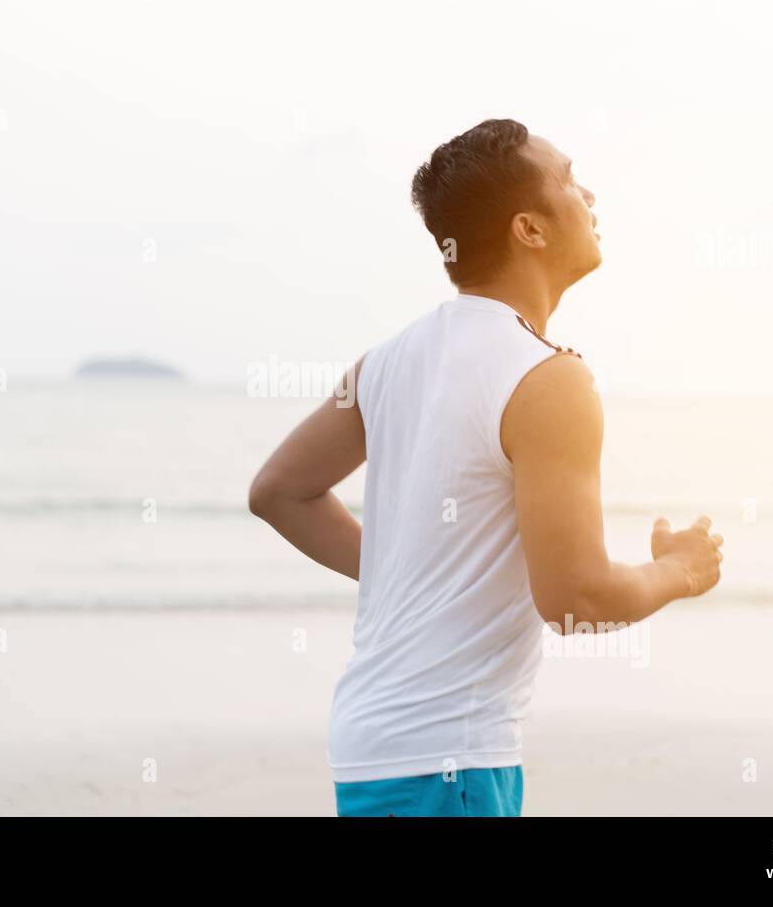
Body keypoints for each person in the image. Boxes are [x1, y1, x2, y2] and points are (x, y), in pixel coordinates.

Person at [248, 119, 723, 817]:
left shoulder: (385, 362)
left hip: (370, 746)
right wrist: (678, 573)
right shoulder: (550, 378)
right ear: (529, 229)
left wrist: (410, 568)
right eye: (567, 178)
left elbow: (279, 492)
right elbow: (576, 600)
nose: (588, 193)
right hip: (451, 762)